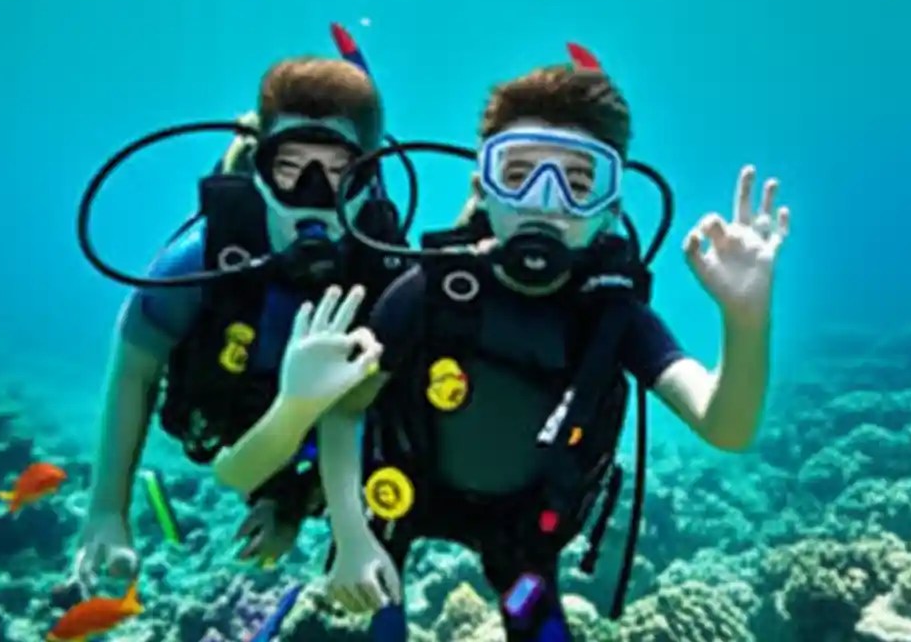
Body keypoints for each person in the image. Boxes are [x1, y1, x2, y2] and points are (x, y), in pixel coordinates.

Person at [289, 56, 791, 640]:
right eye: (518, 173)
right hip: (401, 501)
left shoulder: (612, 314)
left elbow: (724, 426)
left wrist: (745, 320)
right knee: (380, 624)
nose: (545, 201)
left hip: (522, 533)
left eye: (579, 183)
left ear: (611, 208)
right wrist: (351, 533)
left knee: (537, 624)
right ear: (483, 186)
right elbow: (346, 405)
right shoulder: (426, 292)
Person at [65, 55, 409, 597]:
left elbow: (352, 417)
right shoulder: (201, 259)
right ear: (257, 166)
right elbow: (134, 369)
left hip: (314, 454)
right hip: (231, 423)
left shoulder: (387, 277)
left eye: (338, 172)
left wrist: (304, 509)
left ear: (369, 177)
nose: (313, 195)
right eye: (291, 167)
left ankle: (290, 501)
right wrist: (107, 509)